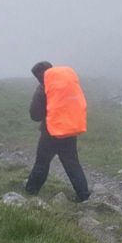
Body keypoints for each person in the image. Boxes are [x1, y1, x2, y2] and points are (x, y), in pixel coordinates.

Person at [24, 61, 90, 202]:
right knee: (72, 163)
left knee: (42, 162)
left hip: (51, 132)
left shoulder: (43, 88)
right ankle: (83, 195)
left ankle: (31, 191)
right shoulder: (68, 85)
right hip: (69, 130)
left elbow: (34, 114)